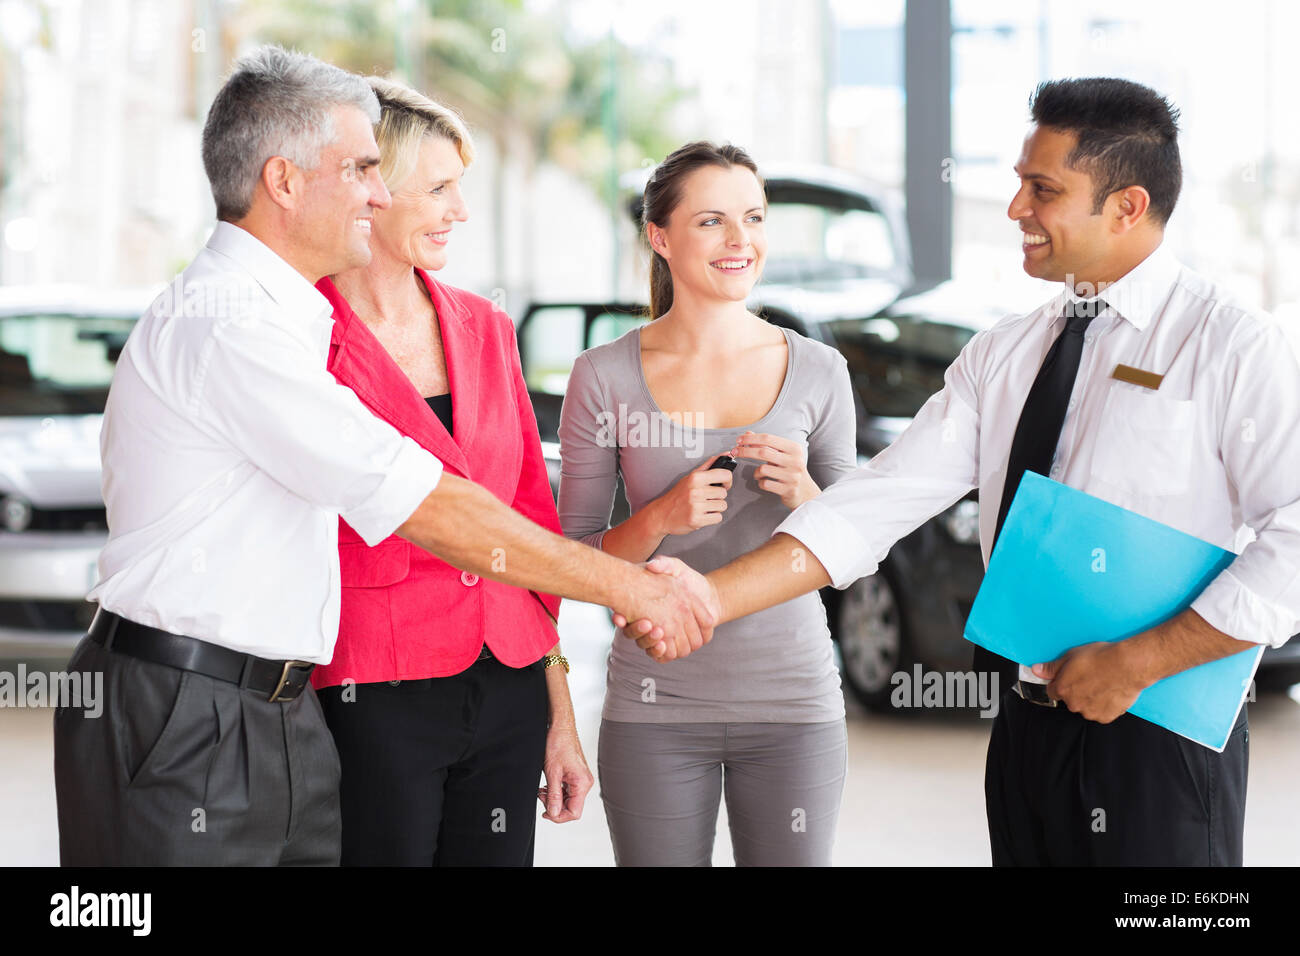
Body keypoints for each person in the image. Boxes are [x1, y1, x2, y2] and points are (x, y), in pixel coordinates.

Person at [53, 46, 711, 867]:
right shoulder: (231, 324)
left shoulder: (285, 317)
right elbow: (427, 503)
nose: (377, 190)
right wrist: (634, 587)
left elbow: (498, 507)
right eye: (363, 167)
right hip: (194, 705)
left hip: (277, 708)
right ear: (286, 182)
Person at [619, 78, 1300, 866]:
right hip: (1024, 728)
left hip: (1160, 733)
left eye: (1041, 189)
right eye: (1018, 183)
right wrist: (704, 596)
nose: (1016, 209)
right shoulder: (1006, 352)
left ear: (1127, 206)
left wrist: (1138, 663)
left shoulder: (1230, 347)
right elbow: (876, 503)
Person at [310, 77, 591, 867]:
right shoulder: (300, 335)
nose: (459, 211)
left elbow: (530, 523)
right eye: (438, 188)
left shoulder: (487, 326)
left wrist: (558, 711)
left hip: (506, 682)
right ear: (371, 188)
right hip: (373, 687)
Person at [558, 141, 858, 866]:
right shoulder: (602, 376)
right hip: (654, 708)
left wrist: (809, 497)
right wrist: (660, 517)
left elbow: (854, 552)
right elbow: (571, 563)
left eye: (753, 218)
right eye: (712, 221)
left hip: (793, 705)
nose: (740, 240)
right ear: (659, 237)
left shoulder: (819, 369)